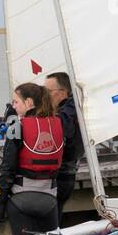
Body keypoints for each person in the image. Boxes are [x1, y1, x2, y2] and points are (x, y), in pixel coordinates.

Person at [0, 82, 64, 235]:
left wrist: (1, 206)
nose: (13, 106)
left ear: (28, 103)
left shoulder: (16, 127)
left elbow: (8, 167)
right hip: (50, 200)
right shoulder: (57, 123)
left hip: (21, 200)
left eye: (16, 102)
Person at [44, 71, 85, 212]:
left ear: (63, 92)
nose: (44, 96)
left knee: (52, 215)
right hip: (59, 174)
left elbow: (63, 129)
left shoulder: (71, 108)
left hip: (63, 175)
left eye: (48, 91)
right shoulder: (61, 109)